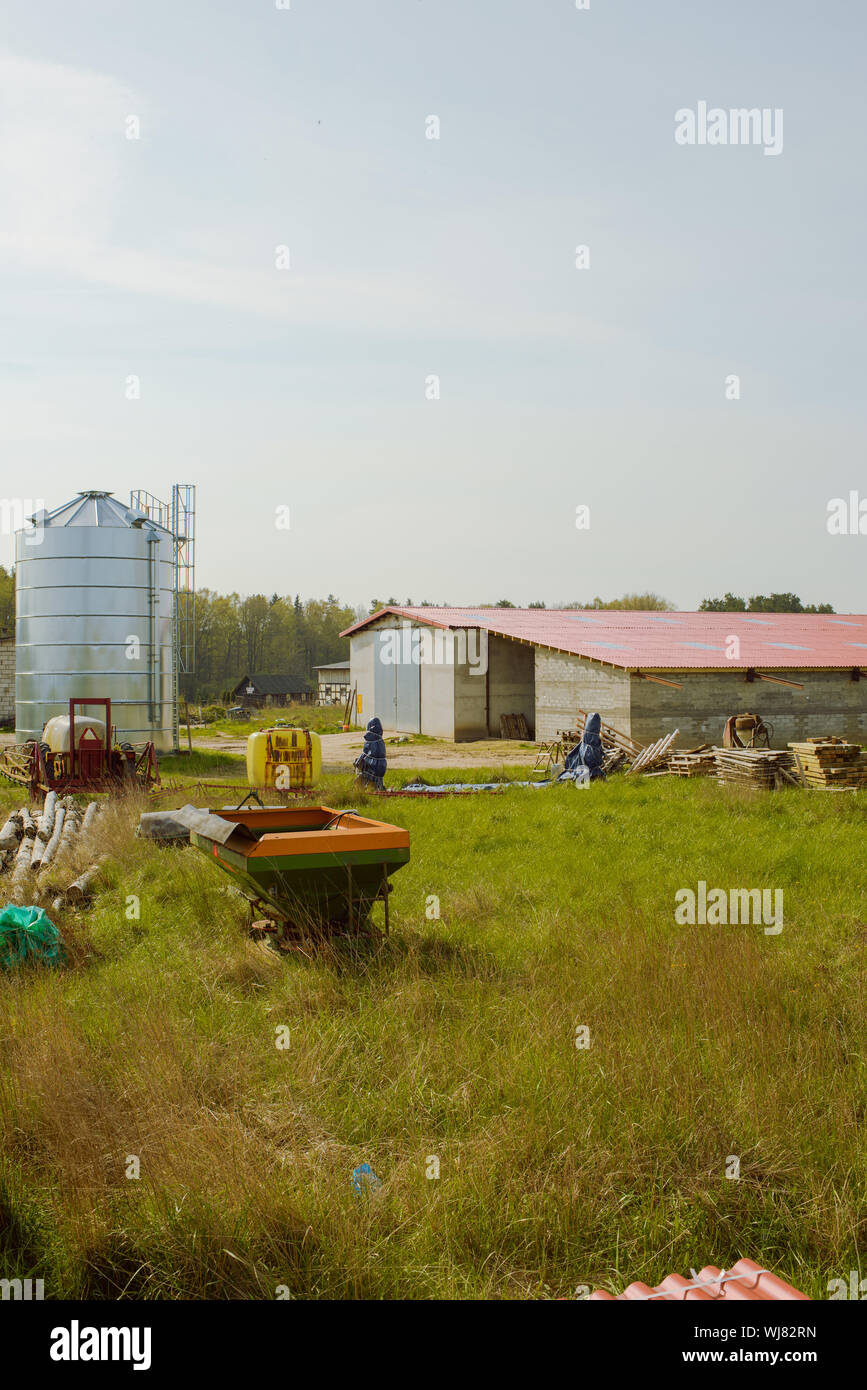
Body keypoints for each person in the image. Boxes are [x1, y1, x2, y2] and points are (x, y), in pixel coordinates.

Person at [560, 711, 606, 784]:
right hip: (585, 767)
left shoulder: (593, 741)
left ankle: (592, 775)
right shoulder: (587, 744)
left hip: (592, 763)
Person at [354, 716, 387, 790]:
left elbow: (364, 754)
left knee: (360, 765)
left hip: (373, 766)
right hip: (381, 767)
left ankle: (360, 787)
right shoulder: (380, 741)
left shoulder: (370, 739)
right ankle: (378, 786)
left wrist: (357, 762)